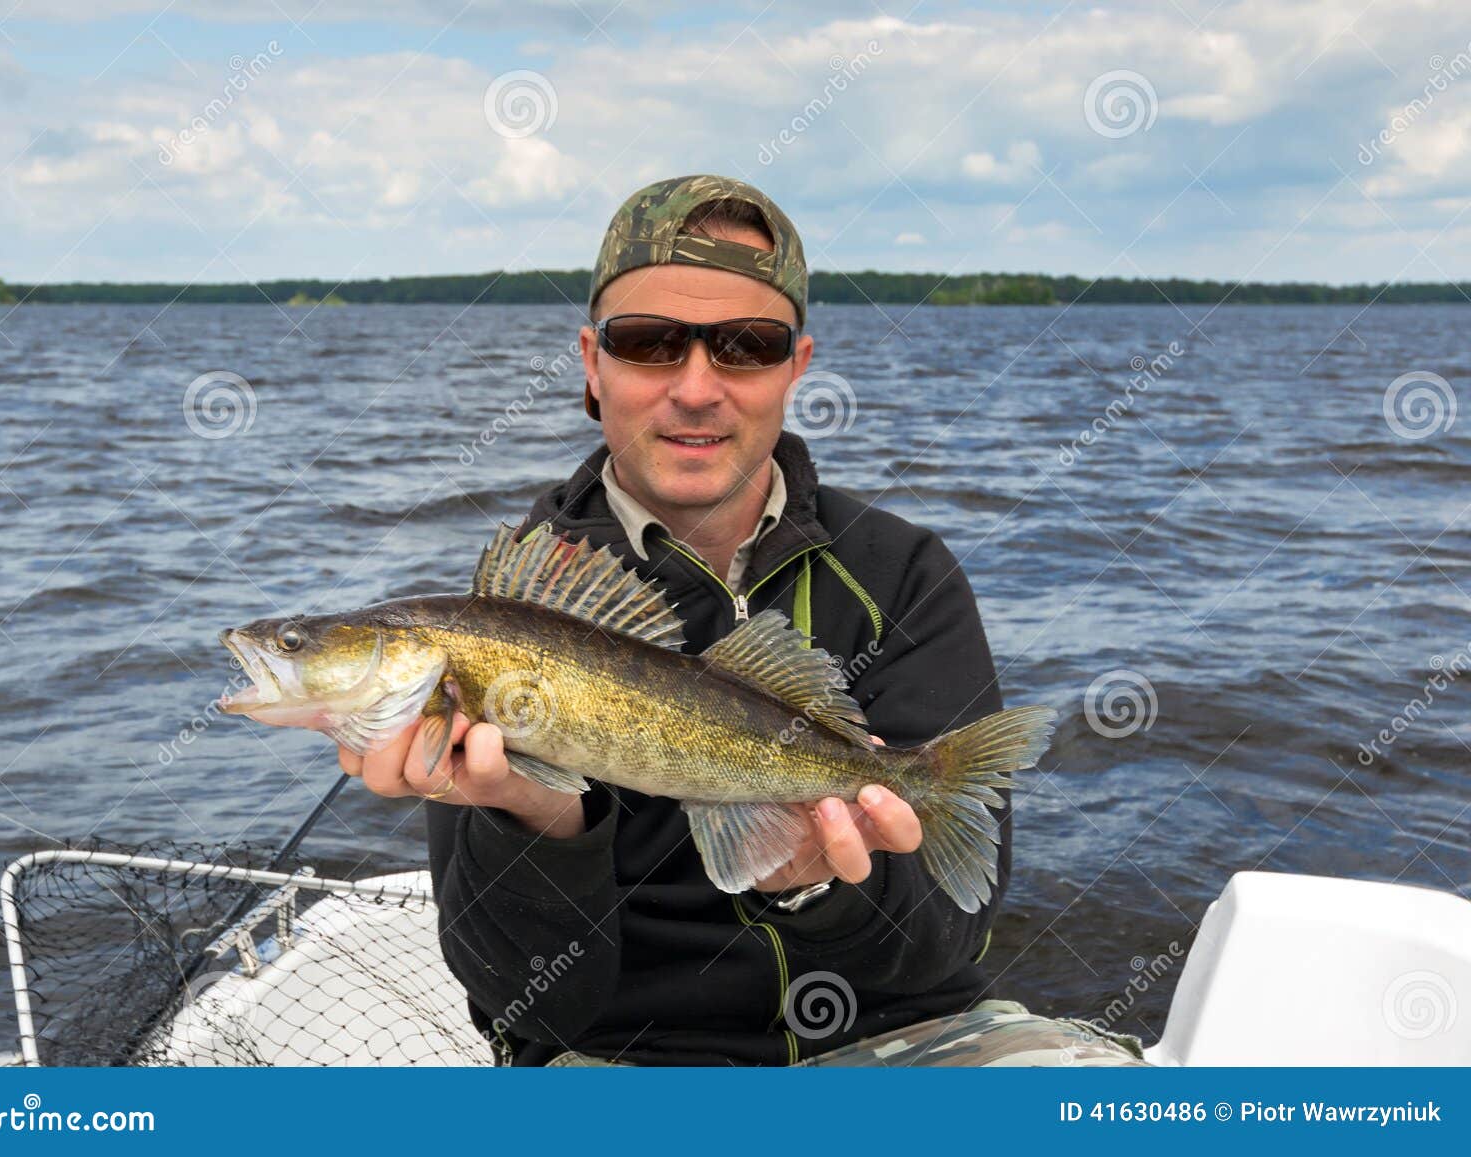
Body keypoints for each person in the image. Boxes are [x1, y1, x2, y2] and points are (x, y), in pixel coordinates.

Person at [338, 174, 1147, 1067]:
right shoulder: (510, 618)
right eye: (648, 343)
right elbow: (534, 1004)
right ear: (591, 364)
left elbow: (950, 943)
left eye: (745, 345)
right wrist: (531, 818)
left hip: (907, 1042)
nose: (695, 388)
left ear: (795, 367)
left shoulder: (903, 574)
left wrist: (817, 886)